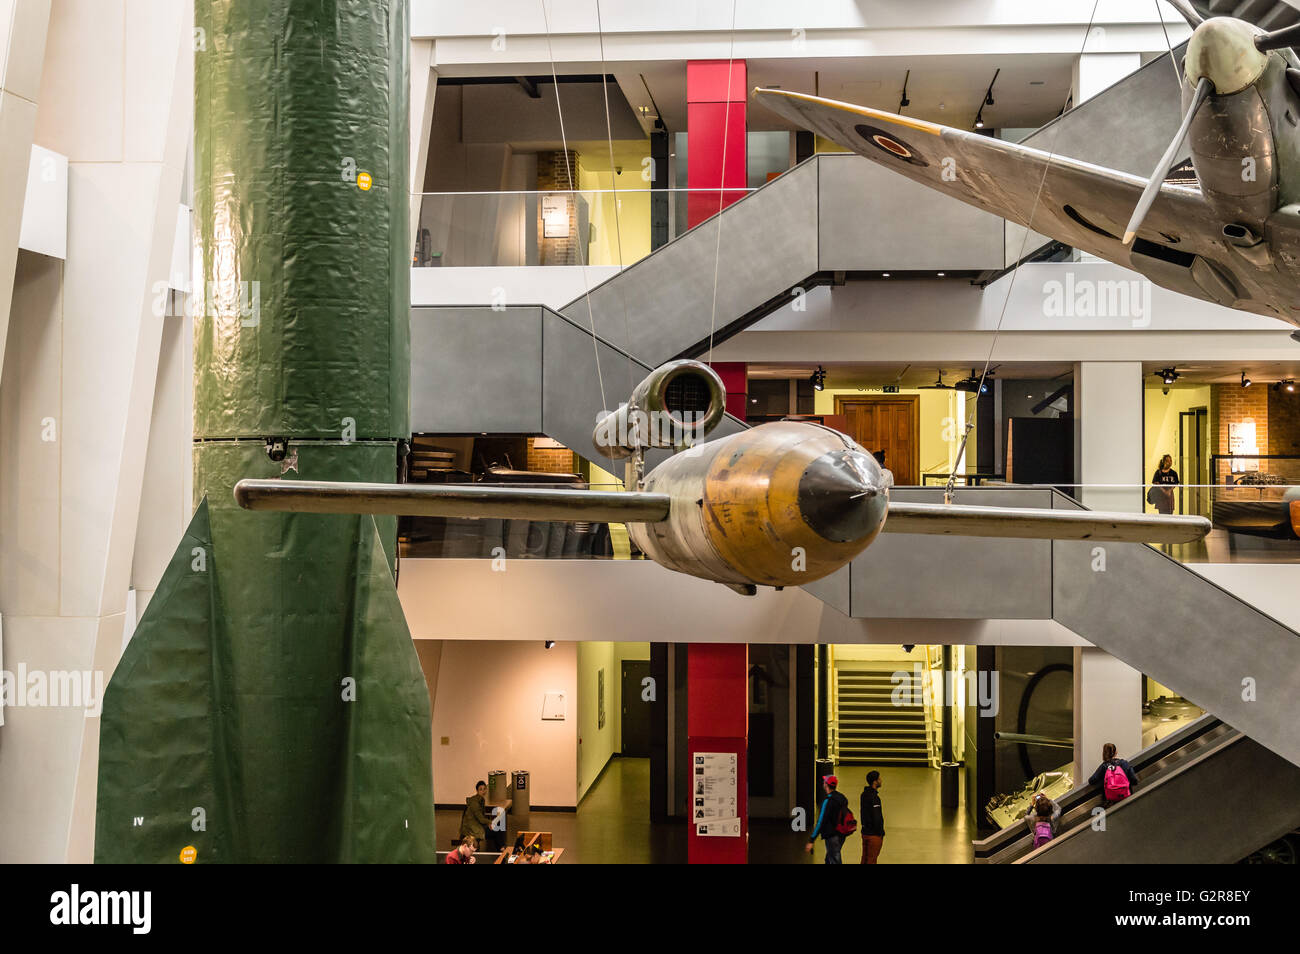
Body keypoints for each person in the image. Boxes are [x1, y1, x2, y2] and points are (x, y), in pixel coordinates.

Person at [805, 775, 849, 864]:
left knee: (834, 859)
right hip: (842, 834)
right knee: (830, 858)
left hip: (832, 835)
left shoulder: (828, 801)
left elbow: (821, 821)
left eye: (824, 782)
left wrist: (811, 840)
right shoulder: (842, 798)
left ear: (826, 785)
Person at [460, 780, 511, 851]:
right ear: (477, 791)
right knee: (497, 829)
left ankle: (500, 848)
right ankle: (501, 848)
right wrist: (490, 822)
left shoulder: (480, 800)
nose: (483, 791)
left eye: (484, 789)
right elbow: (481, 818)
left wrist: (489, 823)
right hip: (473, 829)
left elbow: (481, 817)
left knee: (497, 827)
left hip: (477, 826)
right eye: (480, 789)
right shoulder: (475, 802)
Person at [860, 770, 885, 864]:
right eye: (879, 779)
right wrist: (880, 832)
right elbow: (877, 816)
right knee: (872, 860)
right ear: (875, 782)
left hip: (865, 832)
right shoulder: (874, 798)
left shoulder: (864, 795)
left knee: (865, 859)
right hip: (874, 835)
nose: (881, 780)